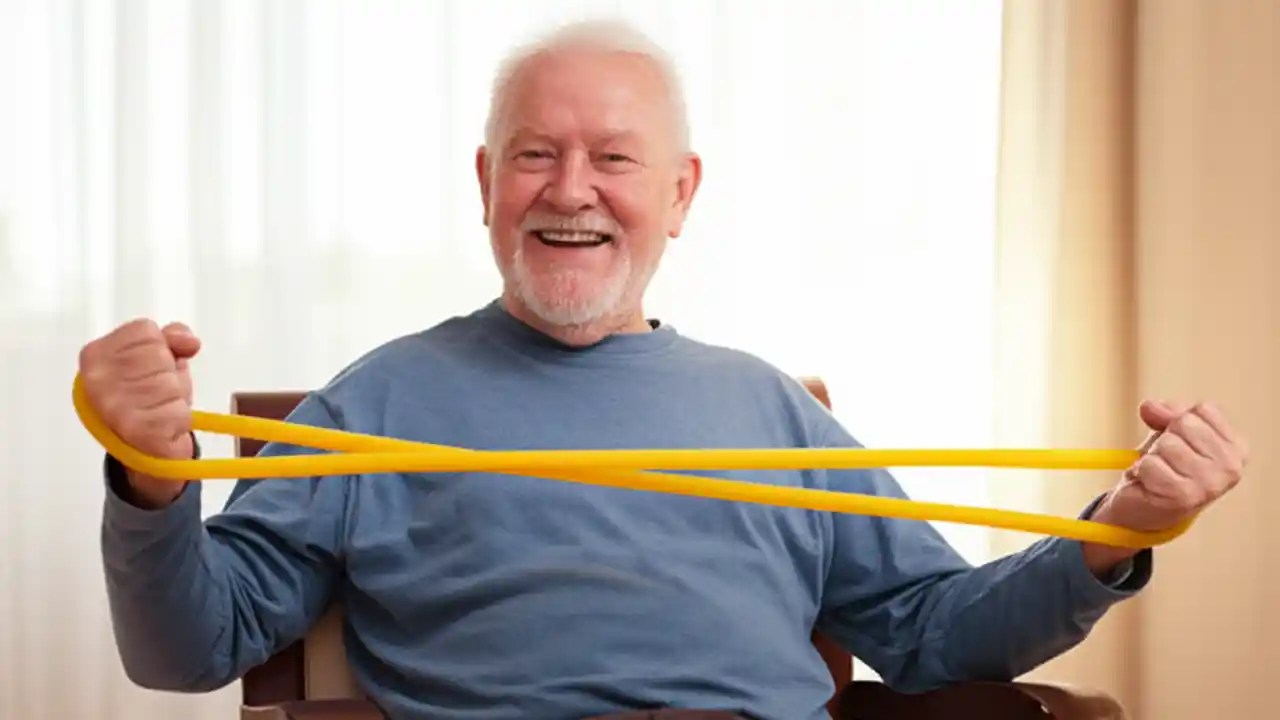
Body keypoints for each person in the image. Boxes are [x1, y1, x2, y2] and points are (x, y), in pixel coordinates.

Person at [79, 19, 1249, 720]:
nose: (570, 190)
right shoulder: (371, 404)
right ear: (485, 183)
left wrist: (1111, 535)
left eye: (614, 158)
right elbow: (188, 649)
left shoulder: (768, 409)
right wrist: (152, 478)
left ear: (680, 193)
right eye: (534, 155)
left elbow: (935, 632)